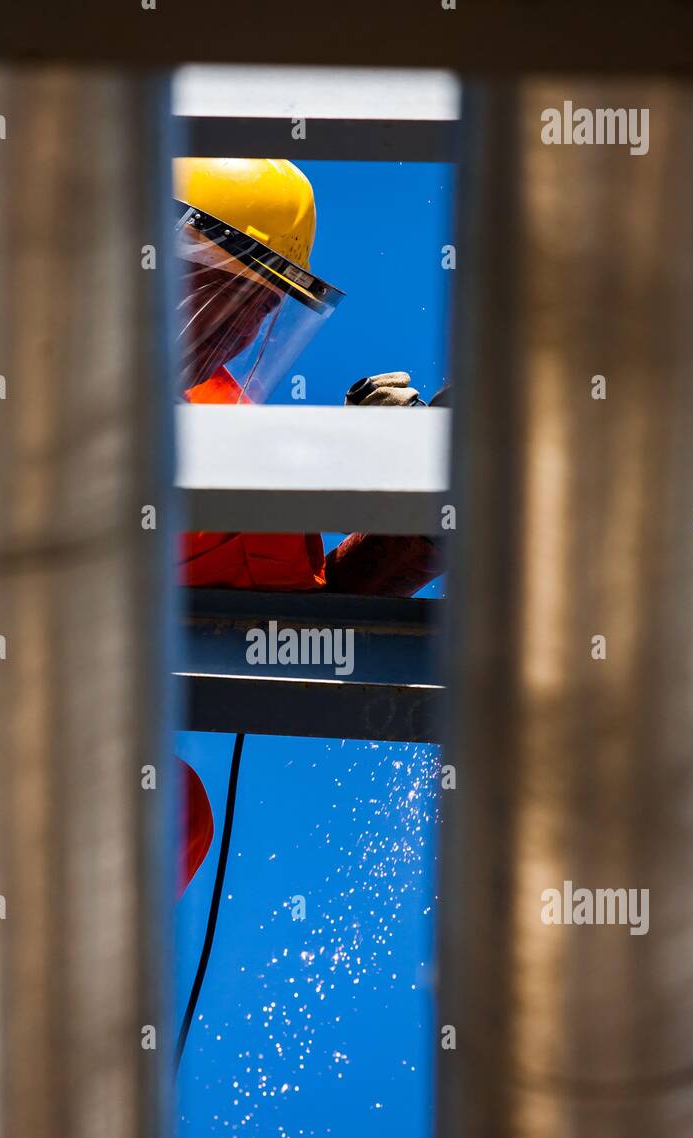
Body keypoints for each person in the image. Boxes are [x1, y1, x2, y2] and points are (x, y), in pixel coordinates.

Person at [174, 159, 446, 895]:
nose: (229, 331)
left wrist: (414, 510)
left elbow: (302, 609)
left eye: (257, 311)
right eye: (215, 290)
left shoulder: (220, 434)